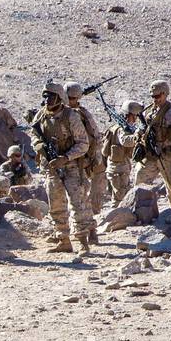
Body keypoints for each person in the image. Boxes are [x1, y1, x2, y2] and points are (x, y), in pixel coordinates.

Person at [31, 80, 93, 254]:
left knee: (77, 203)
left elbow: (83, 144)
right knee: (56, 204)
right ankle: (63, 240)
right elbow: (34, 135)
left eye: (51, 96)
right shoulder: (41, 116)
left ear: (59, 97)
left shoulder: (71, 116)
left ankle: (82, 241)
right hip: (51, 167)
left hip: (71, 165)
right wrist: (39, 146)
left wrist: (65, 158)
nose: (47, 100)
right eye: (45, 96)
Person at [124, 79, 171, 209]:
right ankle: (140, 210)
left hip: (168, 155)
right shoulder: (150, 110)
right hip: (151, 154)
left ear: (165, 94)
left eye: (157, 96)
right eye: (152, 96)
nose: (155, 99)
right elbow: (143, 127)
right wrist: (139, 133)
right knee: (140, 178)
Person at [66, 80, 106, 240]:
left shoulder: (72, 116)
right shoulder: (84, 113)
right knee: (82, 198)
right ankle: (90, 231)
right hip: (88, 161)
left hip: (78, 161)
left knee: (76, 199)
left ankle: (82, 232)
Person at [104, 99, 143, 203]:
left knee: (119, 196)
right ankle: (117, 218)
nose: (135, 119)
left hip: (120, 168)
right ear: (128, 115)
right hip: (117, 170)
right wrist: (137, 136)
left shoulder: (122, 127)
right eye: (133, 116)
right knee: (119, 199)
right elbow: (125, 141)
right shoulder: (121, 129)